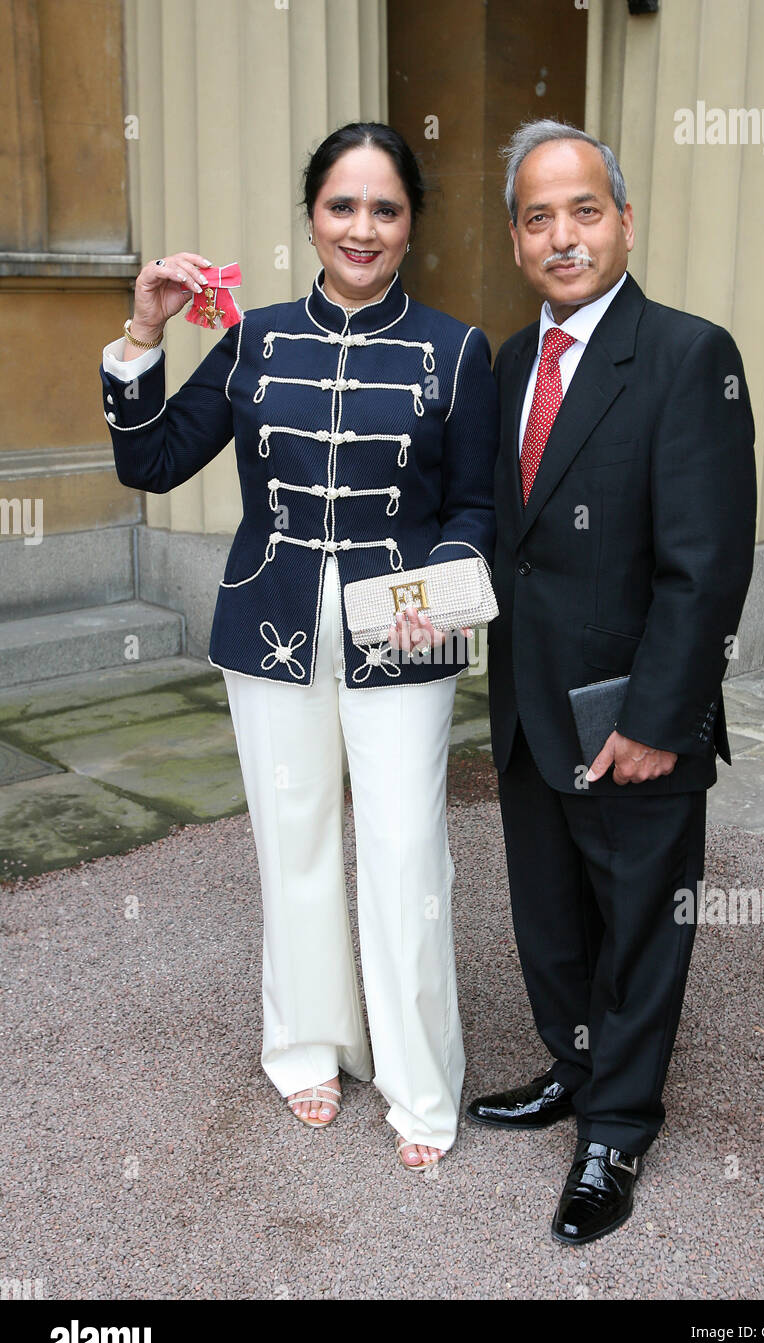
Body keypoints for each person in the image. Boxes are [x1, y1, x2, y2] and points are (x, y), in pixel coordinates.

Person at [99, 122, 498, 1172]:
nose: (360, 228)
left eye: (384, 208)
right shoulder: (254, 337)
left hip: (400, 629)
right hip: (267, 622)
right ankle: (304, 1042)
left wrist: (434, 590)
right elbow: (151, 460)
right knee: (294, 843)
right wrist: (143, 335)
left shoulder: (456, 347)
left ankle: (420, 1080)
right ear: (310, 215)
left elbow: (474, 506)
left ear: (410, 224)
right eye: (340, 205)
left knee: (407, 854)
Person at [468, 119, 756, 1242]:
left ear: (623, 221)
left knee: (639, 927)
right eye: (537, 216)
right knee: (549, 920)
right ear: (514, 238)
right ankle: (571, 1069)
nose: (562, 234)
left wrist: (656, 720)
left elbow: (705, 565)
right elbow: (507, 537)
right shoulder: (506, 363)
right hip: (532, 712)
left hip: (631, 715)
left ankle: (617, 1128)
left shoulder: (688, 355)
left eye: (583, 209)